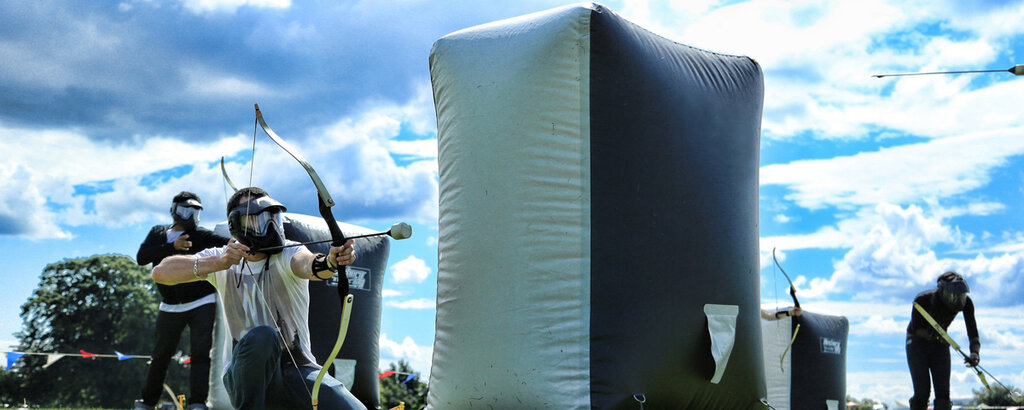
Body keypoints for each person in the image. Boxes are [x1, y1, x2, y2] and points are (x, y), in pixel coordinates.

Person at [152, 187, 365, 410]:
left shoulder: (289, 252)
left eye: (274, 218)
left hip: (298, 369)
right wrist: (218, 263)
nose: (271, 226)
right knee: (264, 336)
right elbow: (161, 272)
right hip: (244, 375)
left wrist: (331, 261)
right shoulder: (223, 259)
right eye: (259, 220)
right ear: (236, 224)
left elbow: (308, 263)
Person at [136, 192, 230, 410]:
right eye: (186, 210)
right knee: (160, 356)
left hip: (202, 302)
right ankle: (147, 402)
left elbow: (227, 243)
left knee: (200, 354)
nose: (191, 216)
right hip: (169, 305)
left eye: (196, 211)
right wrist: (172, 247)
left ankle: (197, 403)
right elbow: (142, 257)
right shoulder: (158, 233)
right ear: (174, 210)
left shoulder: (201, 235)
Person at [906, 271, 980, 410]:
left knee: (943, 397)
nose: (958, 300)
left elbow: (973, 332)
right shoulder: (922, 300)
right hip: (917, 343)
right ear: (942, 291)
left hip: (940, 343)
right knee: (922, 393)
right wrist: (934, 336)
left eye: (961, 296)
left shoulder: (966, 303)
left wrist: (974, 353)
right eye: (953, 296)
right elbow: (917, 329)